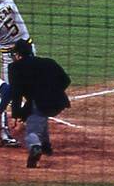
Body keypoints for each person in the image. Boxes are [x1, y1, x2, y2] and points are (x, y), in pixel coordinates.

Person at [6, 39, 71, 168]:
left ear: (18, 55)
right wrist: (53, 91)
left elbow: (16, 94)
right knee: (40, 115)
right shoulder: (49, 62)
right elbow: (66, 80)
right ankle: (46, 146)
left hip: (39, 102)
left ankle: (35, 147)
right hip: (59, 101)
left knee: (32, 130)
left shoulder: (14, 67)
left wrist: (16, 115)